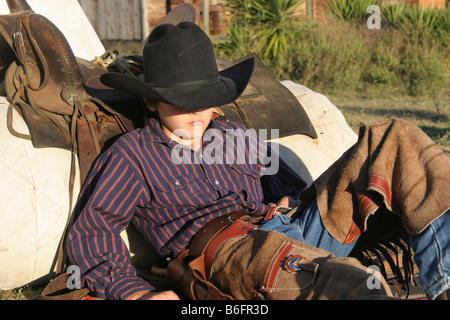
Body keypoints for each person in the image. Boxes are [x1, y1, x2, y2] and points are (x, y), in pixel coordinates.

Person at [66, 21, 449, 300]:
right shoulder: (133, 155)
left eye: (205, 96)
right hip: (230, 255)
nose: (196, 111)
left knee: (395, 136)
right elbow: (92, 231)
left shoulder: (235, 135)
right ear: (151, 100)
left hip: (285, 229)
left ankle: (445, 282)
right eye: (182, 101)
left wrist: (287, 200)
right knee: (348, 282)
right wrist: (133, 293)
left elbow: (285, 181)